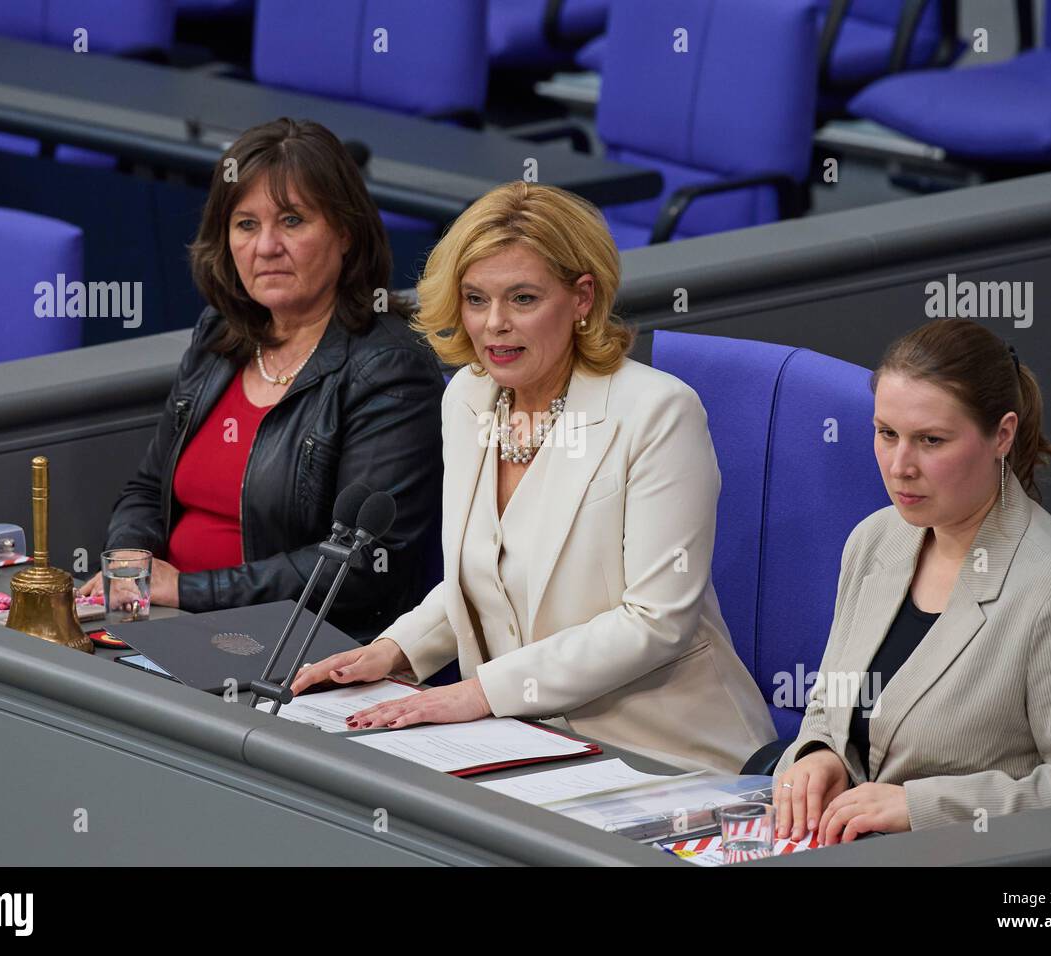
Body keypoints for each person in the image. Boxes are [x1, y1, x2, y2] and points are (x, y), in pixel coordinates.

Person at [289, 181, 776, 775]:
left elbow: (656, 622)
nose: (494, 325)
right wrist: (397, 650)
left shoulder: (656, 413)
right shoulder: (468, 396)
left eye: (522, 299)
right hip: (520, 741)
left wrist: (480, 693)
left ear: (581, 297)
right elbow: (489, 574)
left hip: (660, 748)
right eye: (475, 299)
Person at [773, 319, 1051, 844]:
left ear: (1002, 434)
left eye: (931, 440)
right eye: (887, 434)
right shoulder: (876, 539)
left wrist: (921, 806)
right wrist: (820, 753)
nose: (900, 466)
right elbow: (831, 702)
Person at [80, 118, 444, 642]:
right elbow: (147, 489)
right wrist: (132, 565)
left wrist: (188, 591)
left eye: (292, 221)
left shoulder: (389, 367)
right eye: (246, 224)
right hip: (165, 624)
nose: (266, 246)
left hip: (295, 649)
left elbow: (359, 566)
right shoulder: (220, 335)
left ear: (345, 232)